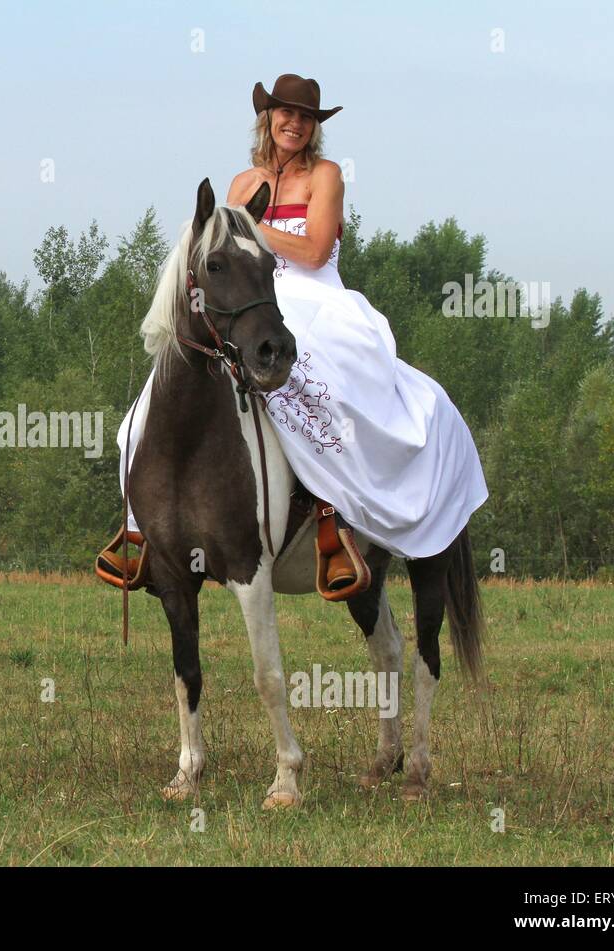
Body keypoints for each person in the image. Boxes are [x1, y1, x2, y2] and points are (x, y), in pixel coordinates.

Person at [98, 74, 487, 594]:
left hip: (315, 298)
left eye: (305, 117)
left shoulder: (325, 176)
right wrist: (234, 242)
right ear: (268, 118)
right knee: (160, 389)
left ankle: (332, 521)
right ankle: (142, 530)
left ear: (314, 127)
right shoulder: (241, 183)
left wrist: (245, 232)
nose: (295, 123)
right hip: (247, 294)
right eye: (286, 113)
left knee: (320, 381)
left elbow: (315, 250)